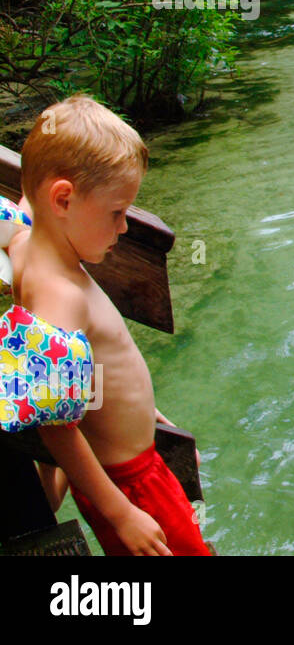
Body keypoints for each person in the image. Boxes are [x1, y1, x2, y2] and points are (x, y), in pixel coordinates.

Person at [9, 95, 210, 555]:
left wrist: (159, 426)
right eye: (116, 213)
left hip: (141, 463)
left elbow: (24, 201)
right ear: (63, 198)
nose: (123, 228)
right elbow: (55, 422)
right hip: (130, 484)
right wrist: (122, 513)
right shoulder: (58, 295)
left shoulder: (27, 243)